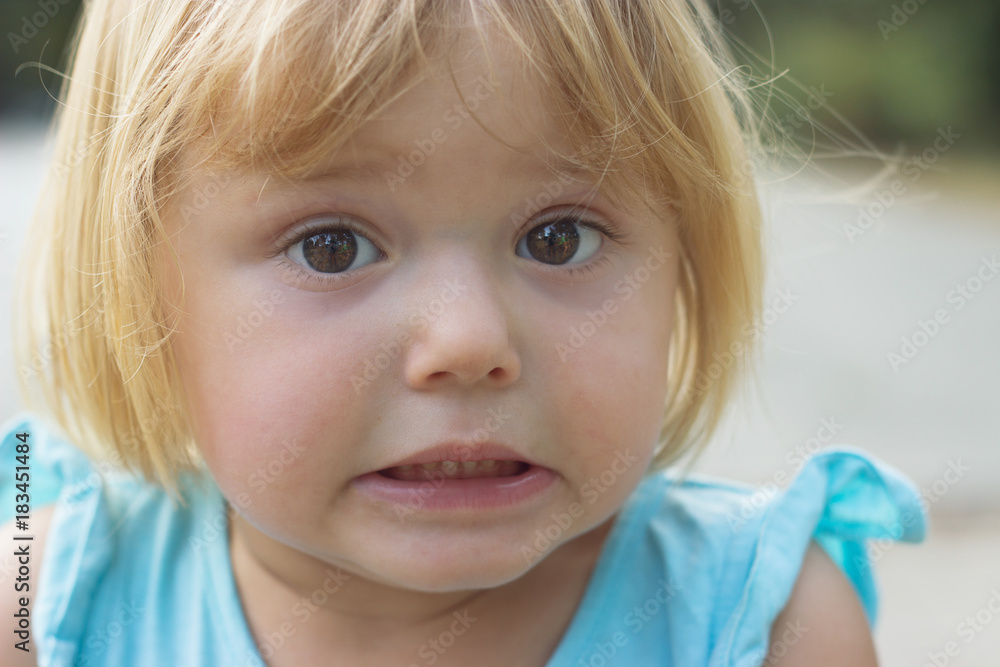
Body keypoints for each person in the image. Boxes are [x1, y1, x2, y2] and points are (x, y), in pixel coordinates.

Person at [0, 0, 925, 665]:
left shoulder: (763, 625)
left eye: (558, 237)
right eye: (331, 247)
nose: (469, 340)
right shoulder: (49, 605)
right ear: (145, 298)